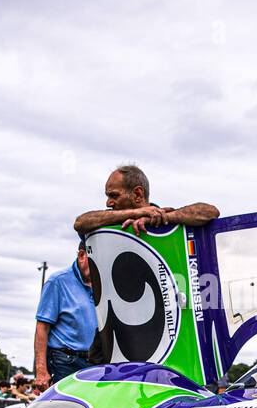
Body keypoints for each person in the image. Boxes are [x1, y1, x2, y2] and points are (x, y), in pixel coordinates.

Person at [73, 164, 219, 236]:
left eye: (114, 195)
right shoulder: (107, 222)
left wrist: (165, 218)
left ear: (137, 194)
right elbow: (80, 223)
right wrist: (135, 214)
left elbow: (211, 212)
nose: (108, 203)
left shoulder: (163, 217)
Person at [34, 242, 97, 390]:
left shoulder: (103, 282)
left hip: (94, 362)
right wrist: (41, 371)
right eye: (95, 261)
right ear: (82, 255)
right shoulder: (58, 281)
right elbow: (42, 328)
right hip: (64, 362)